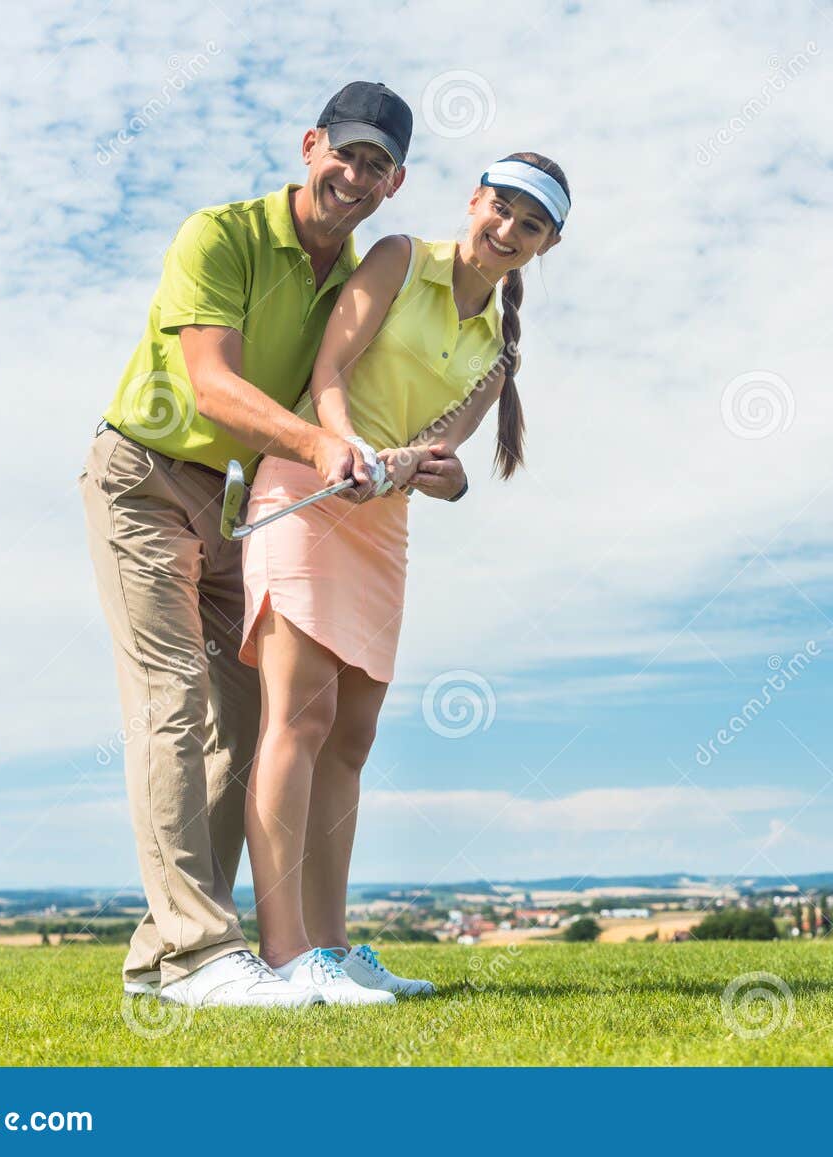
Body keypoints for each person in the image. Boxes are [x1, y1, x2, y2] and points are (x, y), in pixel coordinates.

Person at [80, 82, 456, 1009]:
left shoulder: (359, 276)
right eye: (345, 153)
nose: (355, 176)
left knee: (242, 730)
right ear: (308, 145)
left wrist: (414, 461)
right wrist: (321, 444)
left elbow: (367, 392)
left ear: (395, 181)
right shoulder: (221, 234)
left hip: (238, 512)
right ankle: (207, 956)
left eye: (377, 165)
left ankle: (159, 957)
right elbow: (210, 386)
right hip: (143, 477)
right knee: (171, 703)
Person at [239, 153, 570, 1004]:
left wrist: (446, 477)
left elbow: (444, 450)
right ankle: (286, 955)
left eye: (530, 226)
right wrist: (342, 445)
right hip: (311, 489)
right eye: (501, 209)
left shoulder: (500, 348)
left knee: (352, 737)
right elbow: (329, 376)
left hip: (382, 527)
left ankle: (334, 947)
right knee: (300, 717)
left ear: (546, 245)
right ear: (474, 201)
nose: (508, 231)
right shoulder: (398, 257)